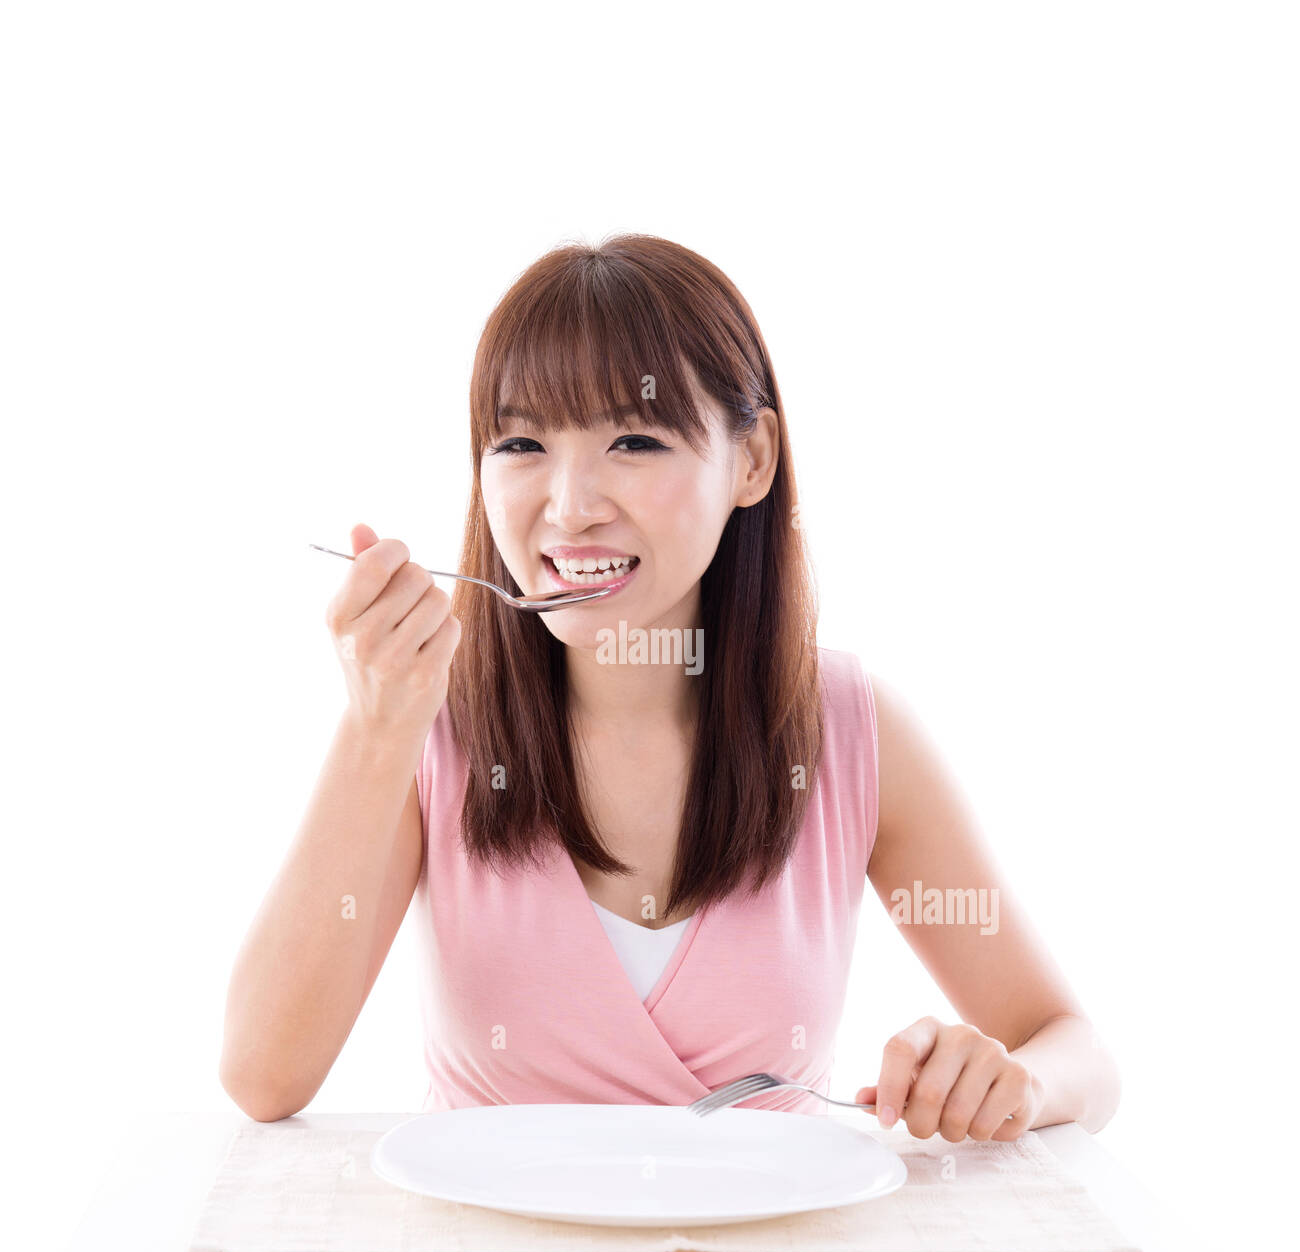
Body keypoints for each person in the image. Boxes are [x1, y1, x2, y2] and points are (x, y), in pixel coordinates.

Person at [220, 233, 1120, 1141]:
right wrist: (377, 733)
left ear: (753, 460)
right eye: (523, 440)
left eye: (635, 439)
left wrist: (1013, 1086)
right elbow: (263, 1076)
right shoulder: (425, 730)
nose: (569, 506)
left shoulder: (848, 731)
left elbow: (1073, 1048)